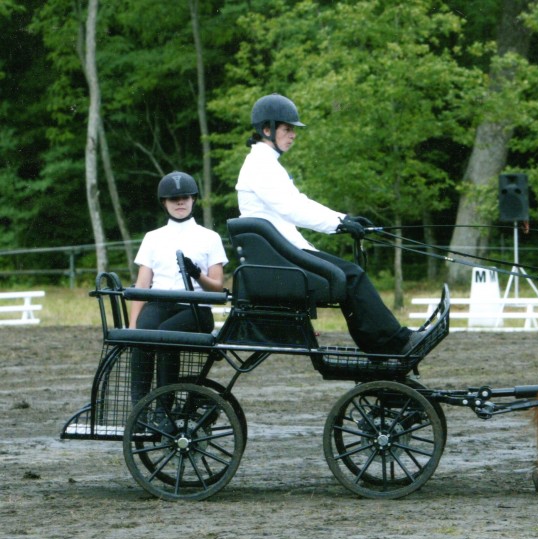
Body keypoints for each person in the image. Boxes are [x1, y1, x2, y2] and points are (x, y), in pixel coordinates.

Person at [235, 93, 422, 354]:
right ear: (267, 129)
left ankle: (382, 346)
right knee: (351, 276)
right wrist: (339, 224)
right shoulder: (261, 166)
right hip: (280, 258)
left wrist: (343, 219)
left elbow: (298, 202)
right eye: (287, 129)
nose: (294, 135)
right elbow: (293, 208)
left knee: (349, 274)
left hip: (282, 252)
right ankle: (393, 344)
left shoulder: (265, 163)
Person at [129, 171, 229, 407]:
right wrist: (133, 326)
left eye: (185, 197)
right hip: (159, 304)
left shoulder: (210, 237)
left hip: (194, 309)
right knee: (144, 333)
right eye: (174, 199)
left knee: (166, 335)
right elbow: (142, 285)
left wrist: (197, 275)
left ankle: (164, 407)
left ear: (193, 199)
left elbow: (217, 288)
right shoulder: (152, 238)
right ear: (164, 202)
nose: (180, 202)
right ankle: (138, 408)